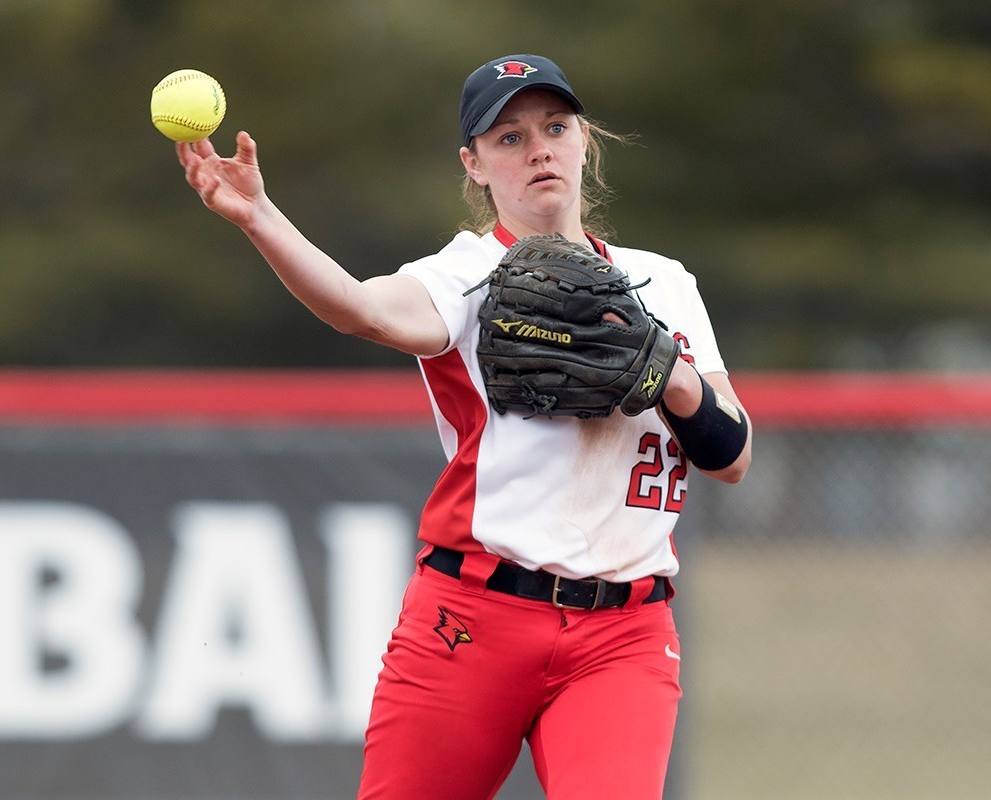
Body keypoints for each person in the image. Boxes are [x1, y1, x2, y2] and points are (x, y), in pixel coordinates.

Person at [177, 53, 752, 800]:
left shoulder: (666, 283)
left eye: (555, 126)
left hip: (625, 636)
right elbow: (363, 308)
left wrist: (665, 369)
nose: (539, 147)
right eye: (508, 138)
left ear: (585, 141)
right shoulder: (464, 277)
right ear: (474, 165)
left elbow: (732, 455)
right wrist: (260, 217)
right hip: (472, 620)